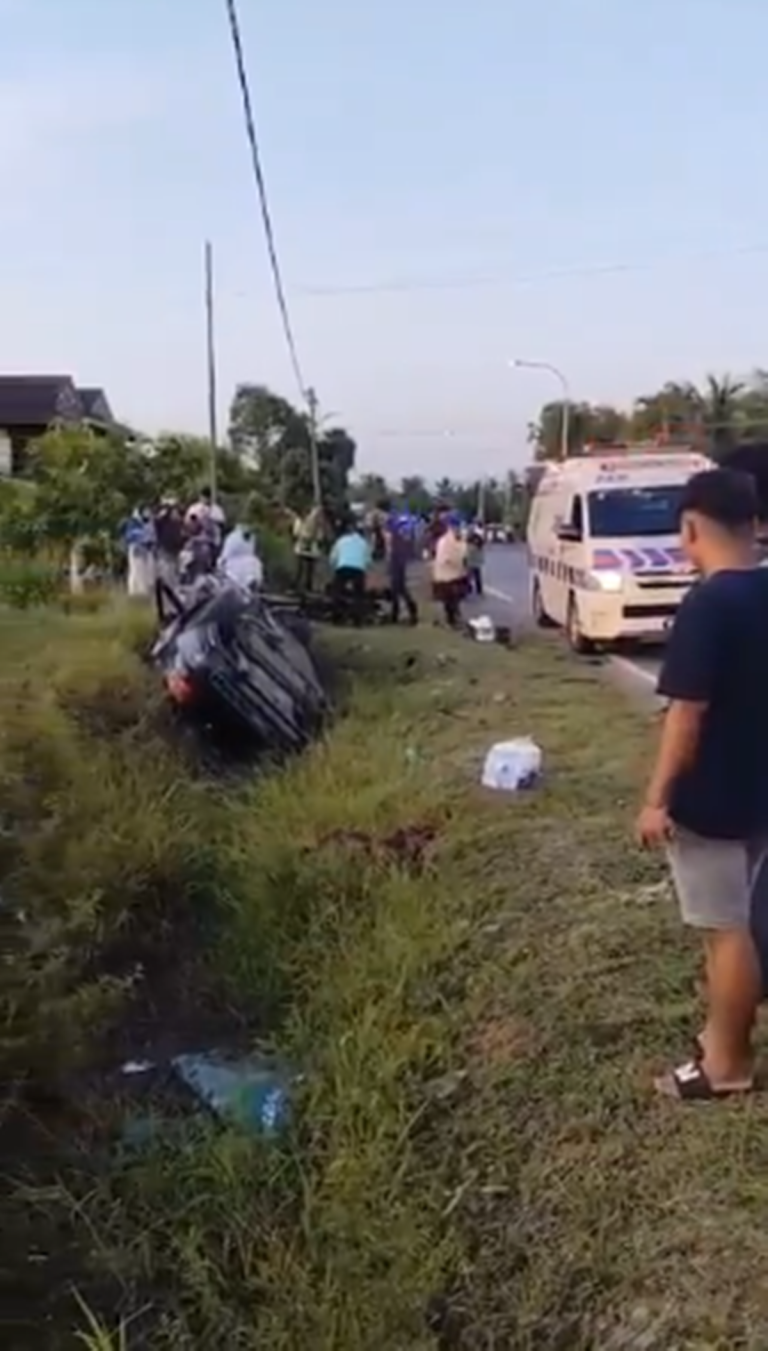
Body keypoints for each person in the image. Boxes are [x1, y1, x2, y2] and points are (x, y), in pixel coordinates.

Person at [636, 467, 768, 1101]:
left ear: (691, 529)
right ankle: (721, 1036)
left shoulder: (708, 604)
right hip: (761, 793)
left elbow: (686, 715)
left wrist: (656, 799)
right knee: (750, 919)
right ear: (754, 524)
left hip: (714, 800)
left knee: (728, 930)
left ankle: (726, 1063)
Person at [329, 517, 371, 625]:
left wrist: (334, 568)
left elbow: (333, 558)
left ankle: (337, 616)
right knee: (358, 595)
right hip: (358, 569)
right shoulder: (364, 543)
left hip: (343, 567)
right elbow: (368, 561)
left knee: (337, 591)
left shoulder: (341, 541)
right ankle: (357, 619)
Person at [432, 513, 468, 627]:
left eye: (458, 526)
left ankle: (453, 618)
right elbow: (445, 558)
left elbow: (463, 554)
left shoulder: (459, 540)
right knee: (448, 599)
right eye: (455, 526)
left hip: (455, 575)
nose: (458, 529)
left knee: (454, 598)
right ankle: (450, 619)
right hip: (446, 575)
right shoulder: (444, 541)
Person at [386, 514, 418, 625]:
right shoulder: (404, 534)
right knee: (400, 589)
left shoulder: (396, 534)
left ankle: (398, 614)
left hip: (397, 562)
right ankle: (407, 611)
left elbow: (392, 549)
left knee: (398, 589)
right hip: (400, 562)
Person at [218, 525, 264, 593]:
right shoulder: (226, 559)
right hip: (228, 590)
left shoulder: (253, 562)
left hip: (241, 593)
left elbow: (254, 583)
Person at [123, 507, 156, 597]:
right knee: (136, 570)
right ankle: (136, 591)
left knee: (145, 571)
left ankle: (144, 590)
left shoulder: (148, 523)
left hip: (146, 549)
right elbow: (129, 536)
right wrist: (142, 537)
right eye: (146, 511)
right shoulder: (133, 522)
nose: (148, 513)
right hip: (136, 549)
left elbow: (152, 536)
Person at [293, 505, 324, 593]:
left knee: (309, 568)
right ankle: (299, 585)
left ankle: (307, 586)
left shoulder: (316, 522)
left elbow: (319, 536)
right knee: (301, 568)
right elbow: (296, 533)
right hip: (303, 547)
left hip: (311, 548)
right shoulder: (299, 520)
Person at [466, 523, 485, 595]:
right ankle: (473, 589)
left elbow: (480, 547)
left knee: (472, 575)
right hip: (473, 559)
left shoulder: (474, 538)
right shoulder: (471, 538)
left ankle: (475, 589)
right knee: (472, 575)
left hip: (473, 559)